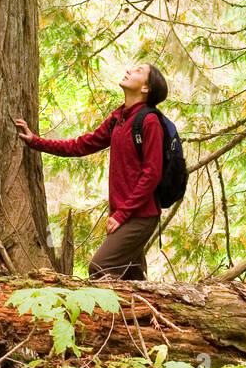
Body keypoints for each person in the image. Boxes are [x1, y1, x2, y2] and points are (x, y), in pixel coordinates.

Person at [14, 63, 168, 280]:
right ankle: (145, 312)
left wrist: (122, 214)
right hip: (124, 213)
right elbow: (80, 145)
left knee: (100, 266)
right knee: (131, 279)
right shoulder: (119, 118)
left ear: (146, 88)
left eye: (138, 71)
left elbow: (152, 174)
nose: (129, 71)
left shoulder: (150, 122)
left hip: (140, 215)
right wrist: (36, 142)